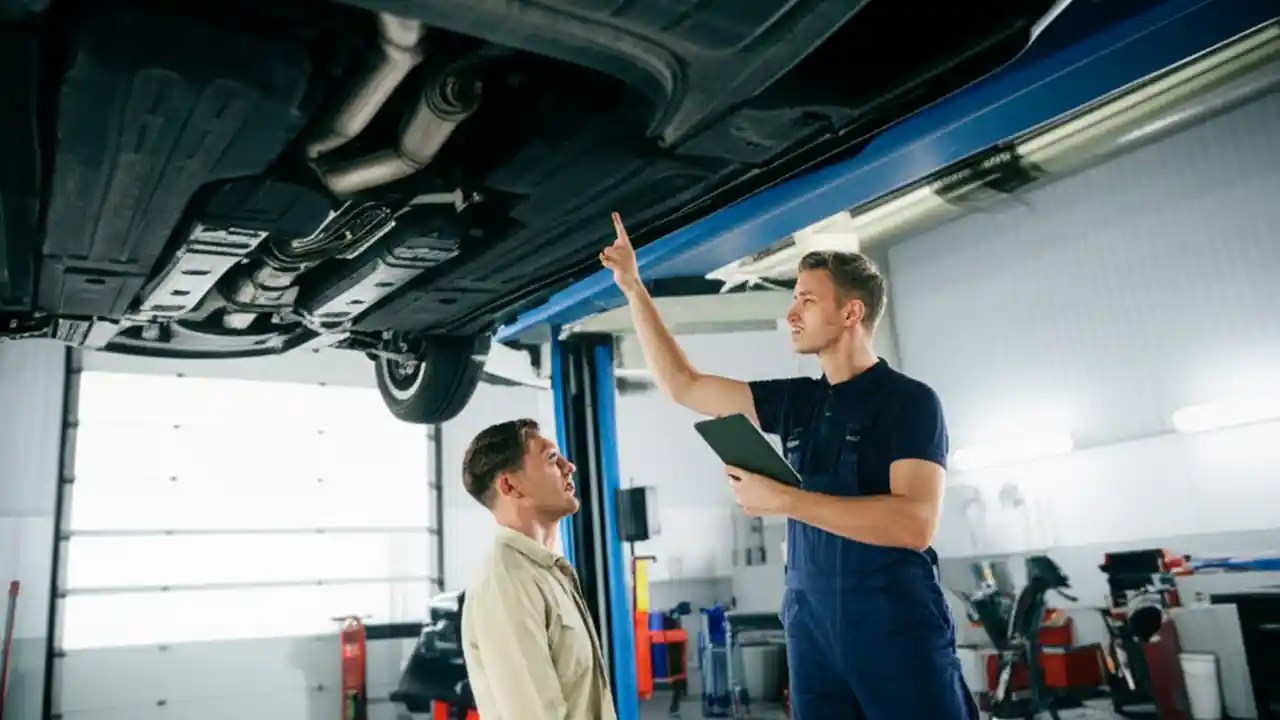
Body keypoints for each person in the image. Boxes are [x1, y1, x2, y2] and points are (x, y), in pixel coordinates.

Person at [600, 213, 975, 719]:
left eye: (807, 299)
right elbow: (683, 386)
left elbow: (913, 523)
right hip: (812, 630)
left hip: (894, 627)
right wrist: (633, 288)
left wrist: (785, 501)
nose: (791, 311)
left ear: (851, 313)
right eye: (794, 296)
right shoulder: (797, 403)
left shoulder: (908, 402)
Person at [458, 419, 617, 720]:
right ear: (509, 485)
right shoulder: (506, 581)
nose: (569, 467)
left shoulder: (546, 572)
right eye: (551, 459)